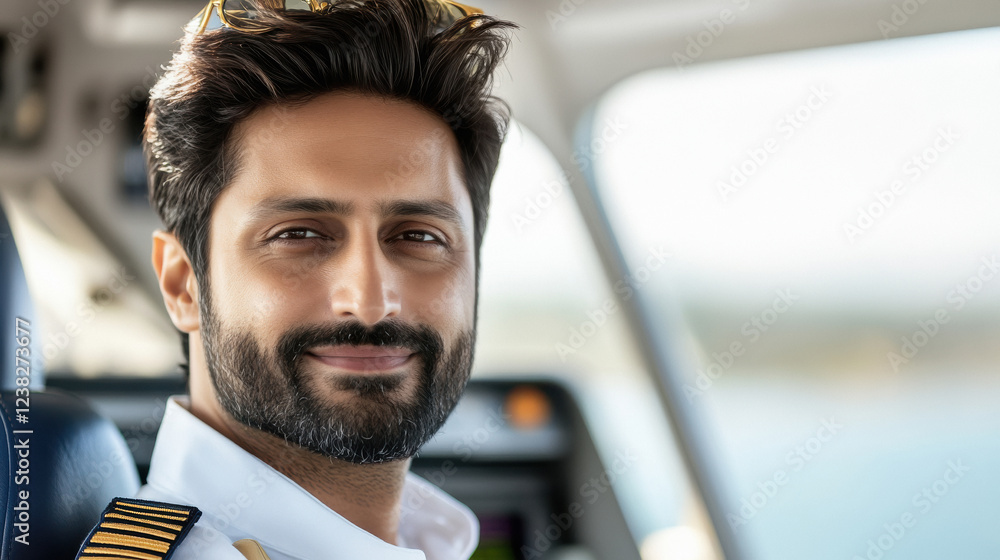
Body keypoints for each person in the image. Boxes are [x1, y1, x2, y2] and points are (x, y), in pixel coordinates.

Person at [74, 1, 515, 558]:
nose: (371, 301)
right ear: (184, 284)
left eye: (418, 236)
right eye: (299, 235)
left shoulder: (433, 538)